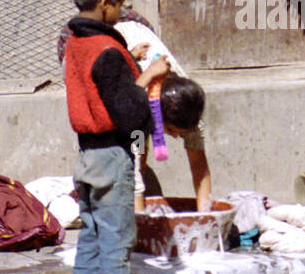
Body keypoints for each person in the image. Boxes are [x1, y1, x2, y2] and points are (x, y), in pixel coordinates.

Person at [62, 0, 169, 274]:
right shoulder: (106, 50)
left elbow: (99, 83)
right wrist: (149, 74)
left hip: (87, 157)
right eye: (120, 7)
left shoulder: (76, 41)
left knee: (91, 236)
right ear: (106, 3)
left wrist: (128, 59)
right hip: (111, 156)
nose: (122, 13)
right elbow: (127, 111)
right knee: (117, 239)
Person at [58, 11, 212, 211]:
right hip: (81, 45)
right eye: (171, 130)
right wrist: (140, 223)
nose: (174, 137)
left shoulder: (188, 105)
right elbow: (136, 166)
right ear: (156, 115)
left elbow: (199, 168)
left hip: (132, 29)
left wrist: (205, 218)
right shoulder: (135, 104)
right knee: (122, 149)